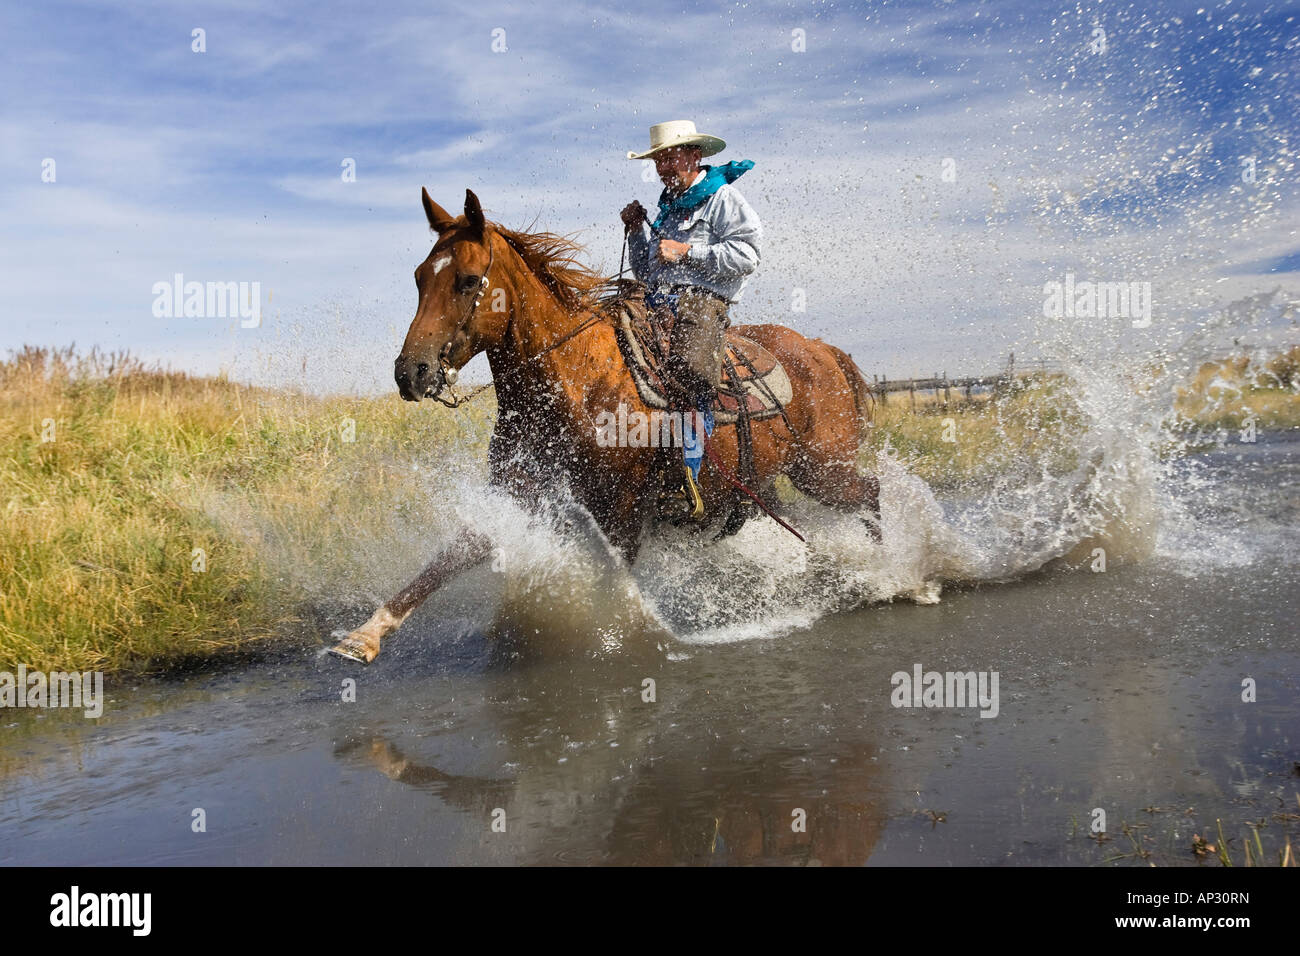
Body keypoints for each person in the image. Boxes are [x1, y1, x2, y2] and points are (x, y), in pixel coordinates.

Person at [619, 120, 763, 518]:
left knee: (690, 369)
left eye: (670, 157)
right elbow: (647, 274)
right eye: (658, 160)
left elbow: (749, 256)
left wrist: (688, 253)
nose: (664, 167)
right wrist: (635, 232)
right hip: (656, 303)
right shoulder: (668, 206)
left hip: (703, 305)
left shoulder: (722, 198)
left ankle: (688, 477)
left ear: (694, 155)